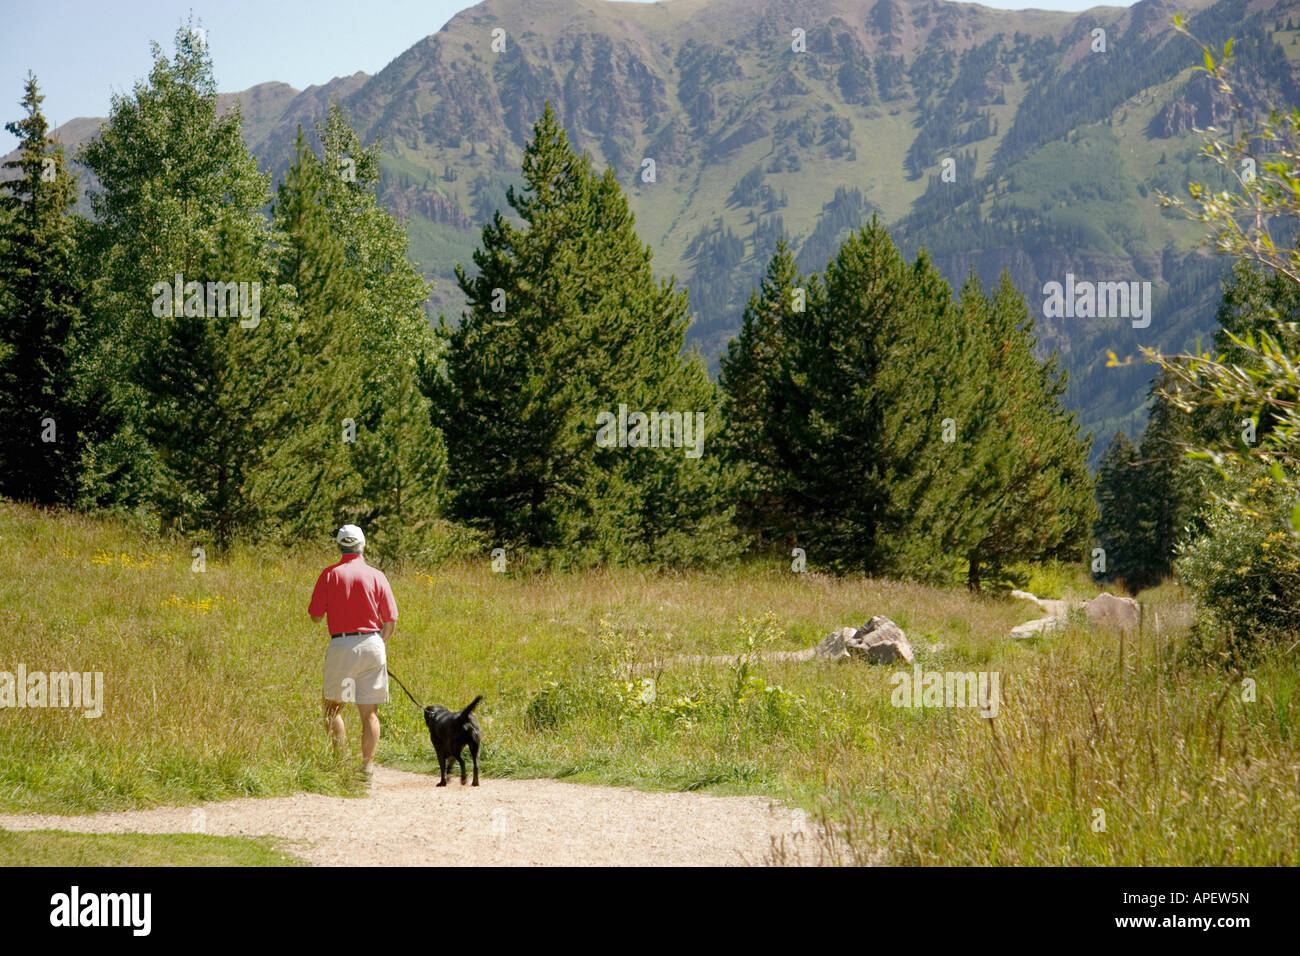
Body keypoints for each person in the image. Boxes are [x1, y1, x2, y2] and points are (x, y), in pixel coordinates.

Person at [308, 524, 397, 778]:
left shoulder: (329, 575)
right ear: (363, 545)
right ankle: (367, 769)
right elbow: (390, 622)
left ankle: (340, 763)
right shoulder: (377, 575)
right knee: (369, 713)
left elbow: (315, 616)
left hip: (342, 645)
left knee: (332, 709)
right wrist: (378, 642)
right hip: (373, 644)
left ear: (339, 546)